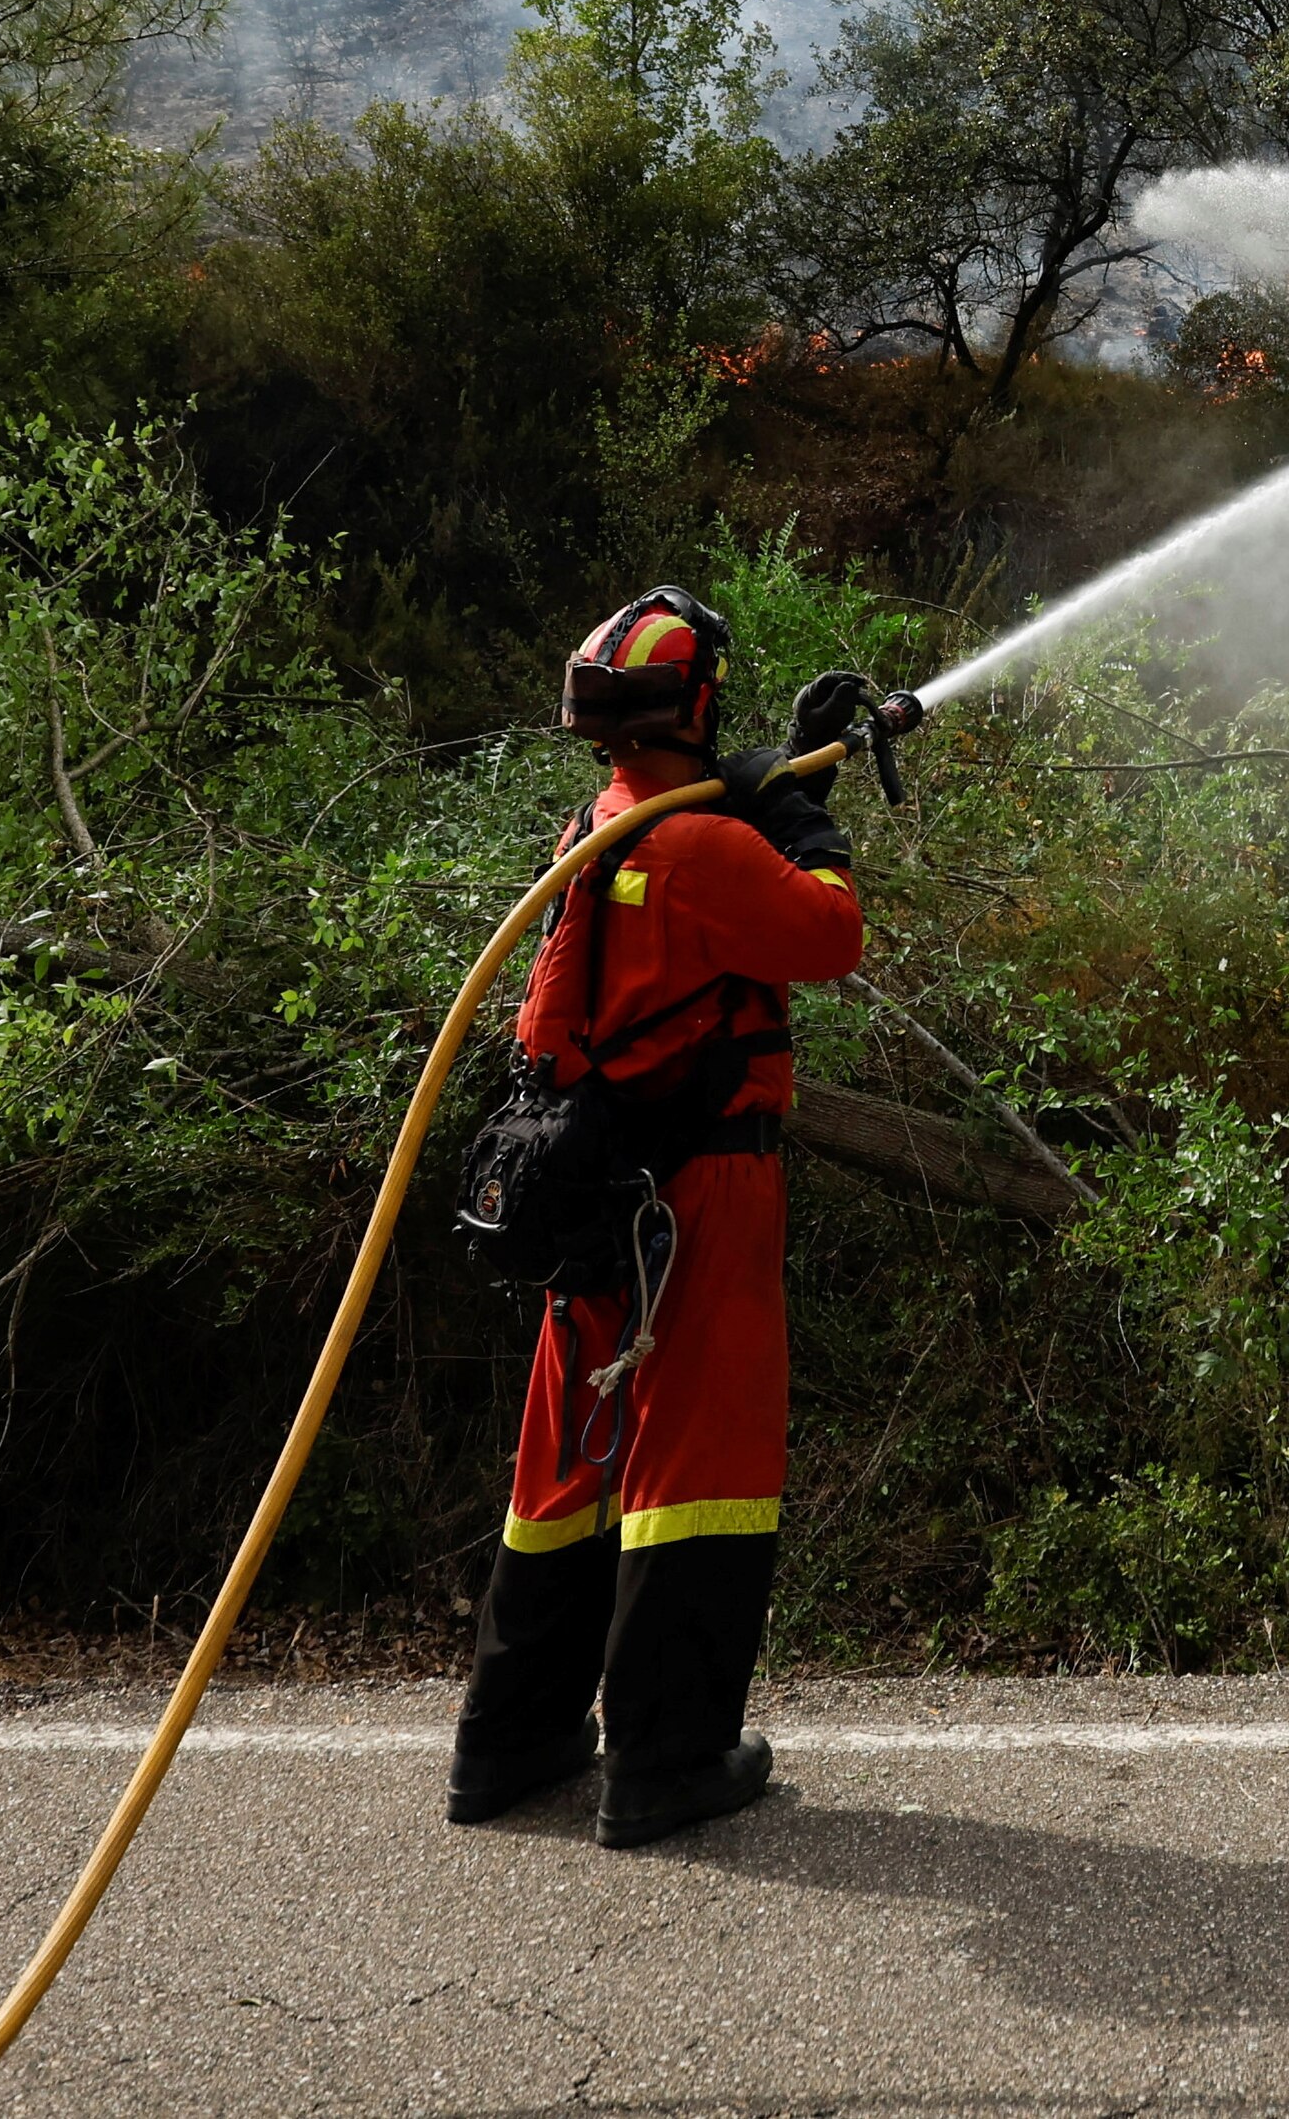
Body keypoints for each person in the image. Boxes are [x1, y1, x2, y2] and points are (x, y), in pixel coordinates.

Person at [446, 586, 874, 1847]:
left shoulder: (606, 825)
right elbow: (829, 932)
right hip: (694, 1191)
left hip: (587, 1189)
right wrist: (799, 815)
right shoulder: (702, 847)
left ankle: (510, 1746)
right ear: (699, 702)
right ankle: (664, 1762)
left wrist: (766, 798)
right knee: (702, 1468)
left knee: (564, 1466)